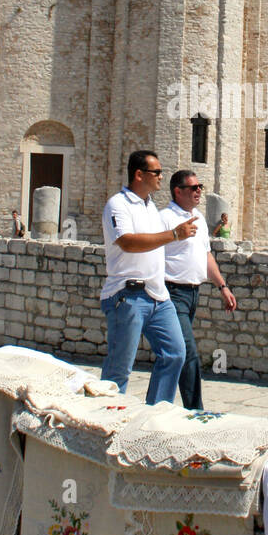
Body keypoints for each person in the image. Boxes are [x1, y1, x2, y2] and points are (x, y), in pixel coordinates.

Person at [99, 150, 193, 404]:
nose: (162, 176)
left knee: (174, 354)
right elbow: (127, 242)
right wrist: (173, 234)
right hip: (127, 295)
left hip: (158, 296)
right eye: (157, 172)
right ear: (139, 174)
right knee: (120, 368)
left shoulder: (151, 207)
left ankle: (154, 412)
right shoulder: (117, 205)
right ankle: (103, 420)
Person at [159, 170, 237, 410]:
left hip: (193, 294)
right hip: (172, 293)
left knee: (174, 355)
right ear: (178, 191)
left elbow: (205, 256)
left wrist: (222, 287)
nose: (199, 191)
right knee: (187, 352)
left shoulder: (200, 219)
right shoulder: (164, 218)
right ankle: (195, 410)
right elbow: (151, 255)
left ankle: (157, 406)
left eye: (199, 186)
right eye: (193, 188)